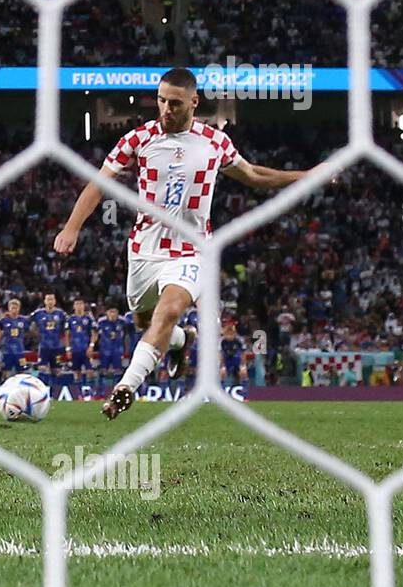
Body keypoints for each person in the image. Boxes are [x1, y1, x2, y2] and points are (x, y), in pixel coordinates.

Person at [54, 67, 320, 419]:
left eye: (175, 103)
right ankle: (182, 340)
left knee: (170, 311)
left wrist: (304, 177)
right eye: (161, 101)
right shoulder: (138, 139)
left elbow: (254, 175)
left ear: (194, 102)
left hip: (192, 251)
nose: (166, 109)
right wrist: (72, 227)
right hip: (144, 250)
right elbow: (97, 183)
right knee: (146, 322)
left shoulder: (215, 142)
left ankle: (125, 388)